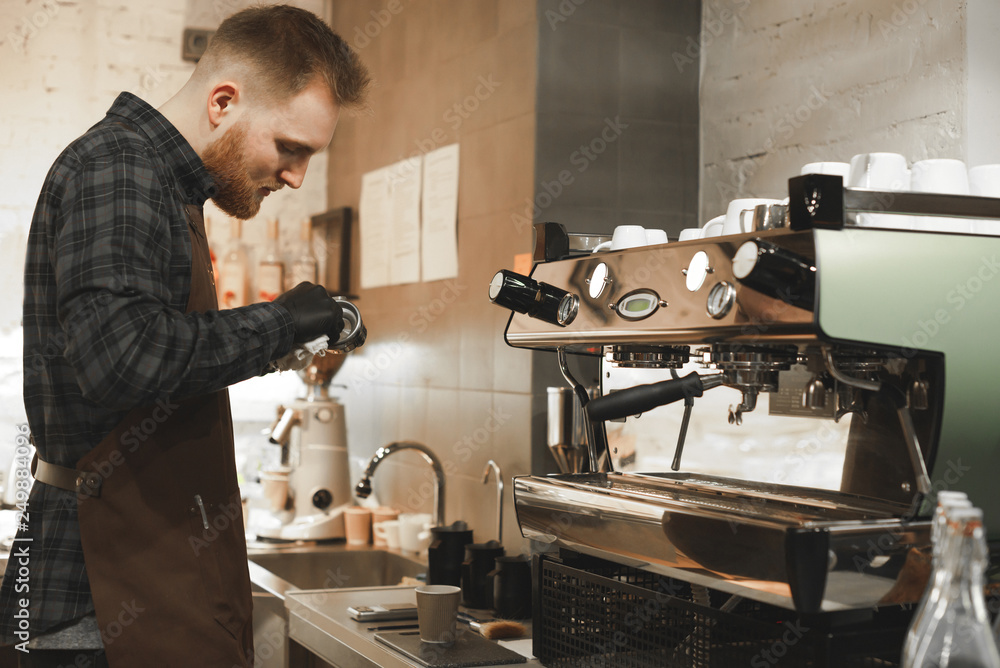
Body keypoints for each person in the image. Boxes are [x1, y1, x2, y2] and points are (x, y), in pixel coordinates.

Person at [0, 5, 370, 667]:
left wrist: (283, 338)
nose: (295, 178)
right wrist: (284, 320)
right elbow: (123, 359)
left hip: (141, 570)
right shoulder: (117, 167)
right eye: (290, 147)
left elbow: (160, 353)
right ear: (224, 102)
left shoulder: (165, 185)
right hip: (98, 590)